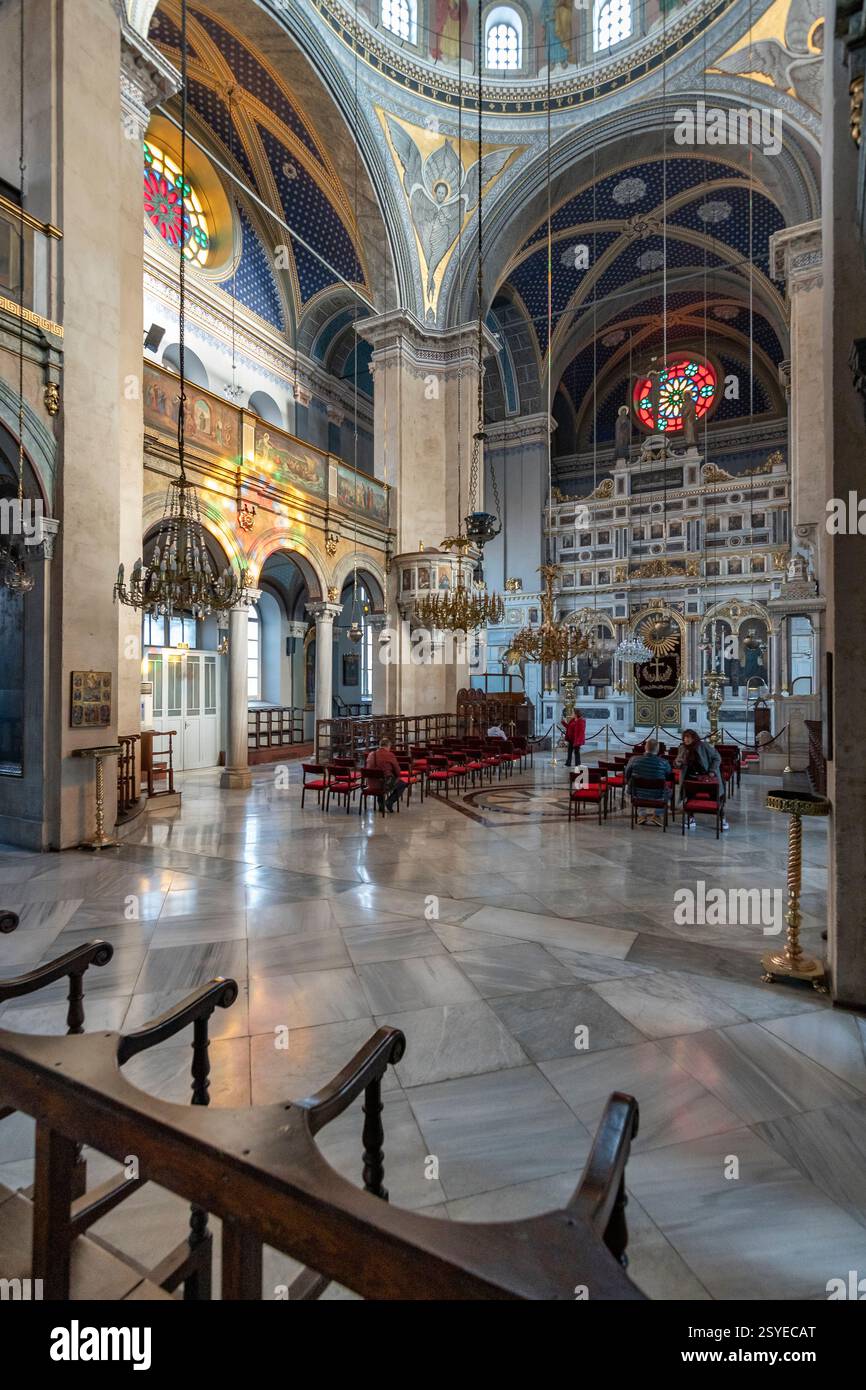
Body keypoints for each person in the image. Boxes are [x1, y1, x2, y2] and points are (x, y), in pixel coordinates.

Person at [676, 729, 729, 831]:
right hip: (691, 777)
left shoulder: (703, 746)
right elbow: (678, 762)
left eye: (688, 737)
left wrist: (712, 771)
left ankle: (722, 818)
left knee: (716, 797)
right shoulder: (682, 748)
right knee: (690, 797)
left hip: (707, 776)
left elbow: (717, 757)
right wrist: (678, 763)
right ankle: (691, 817)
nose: (686, 739)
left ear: (694, 738)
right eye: (684, 737)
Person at [625, 738, 672, 827]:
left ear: (645, 747)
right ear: (657, 750)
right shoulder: (664, 762)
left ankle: (642, 815)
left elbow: (627, 774)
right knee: (670, 792)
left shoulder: (634, 759)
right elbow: (668, 775)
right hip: (658, 793)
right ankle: (657, 814)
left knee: (634, 787)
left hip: (637, 792)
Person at [365, 737, 405, 814]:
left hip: (371, 784)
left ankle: (381, 805)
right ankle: (389, 802)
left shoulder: (371, 754)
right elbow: (398, 771)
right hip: (384, 784)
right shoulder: (389, 755)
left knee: (379, 778)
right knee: (402, 784)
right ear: (388, 746)